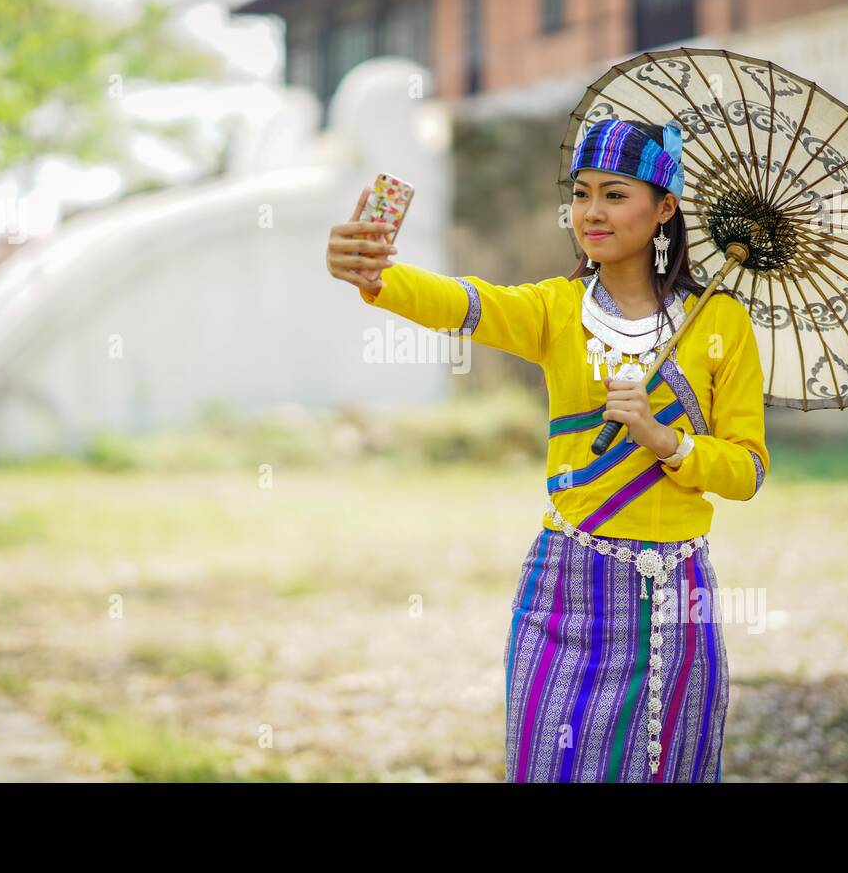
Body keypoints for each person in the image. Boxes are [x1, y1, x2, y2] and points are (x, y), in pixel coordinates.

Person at [324, 118, 769, 782]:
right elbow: (466, 303)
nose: (591, 211)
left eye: (615, 195)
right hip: (566, 589)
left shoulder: (719, 323)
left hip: (677, 602)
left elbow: (747, 470)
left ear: (665, 207)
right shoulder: (557, 309)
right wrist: (378, 277)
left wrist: (666, 442)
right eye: (581, 193)